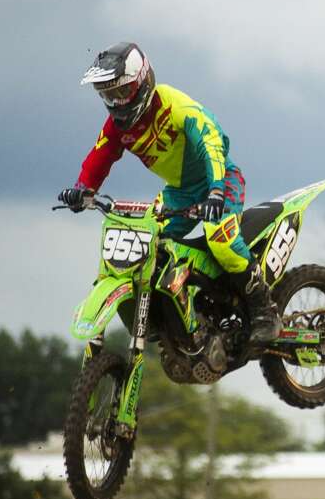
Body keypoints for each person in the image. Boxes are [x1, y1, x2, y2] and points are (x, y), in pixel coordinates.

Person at [58, 41, 281, 343]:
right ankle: (178, 314)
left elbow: (211, 143)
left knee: (222, 240)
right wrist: (82, 190)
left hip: (221, 179)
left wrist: (216, 191)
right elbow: (99, 157)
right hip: (179, 192)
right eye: (108, 95)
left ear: (141, 83)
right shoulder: (117, 127)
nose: (116, 101)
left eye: (120, 92)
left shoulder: (174, 105)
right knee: (145, 242)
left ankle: (264, 310)